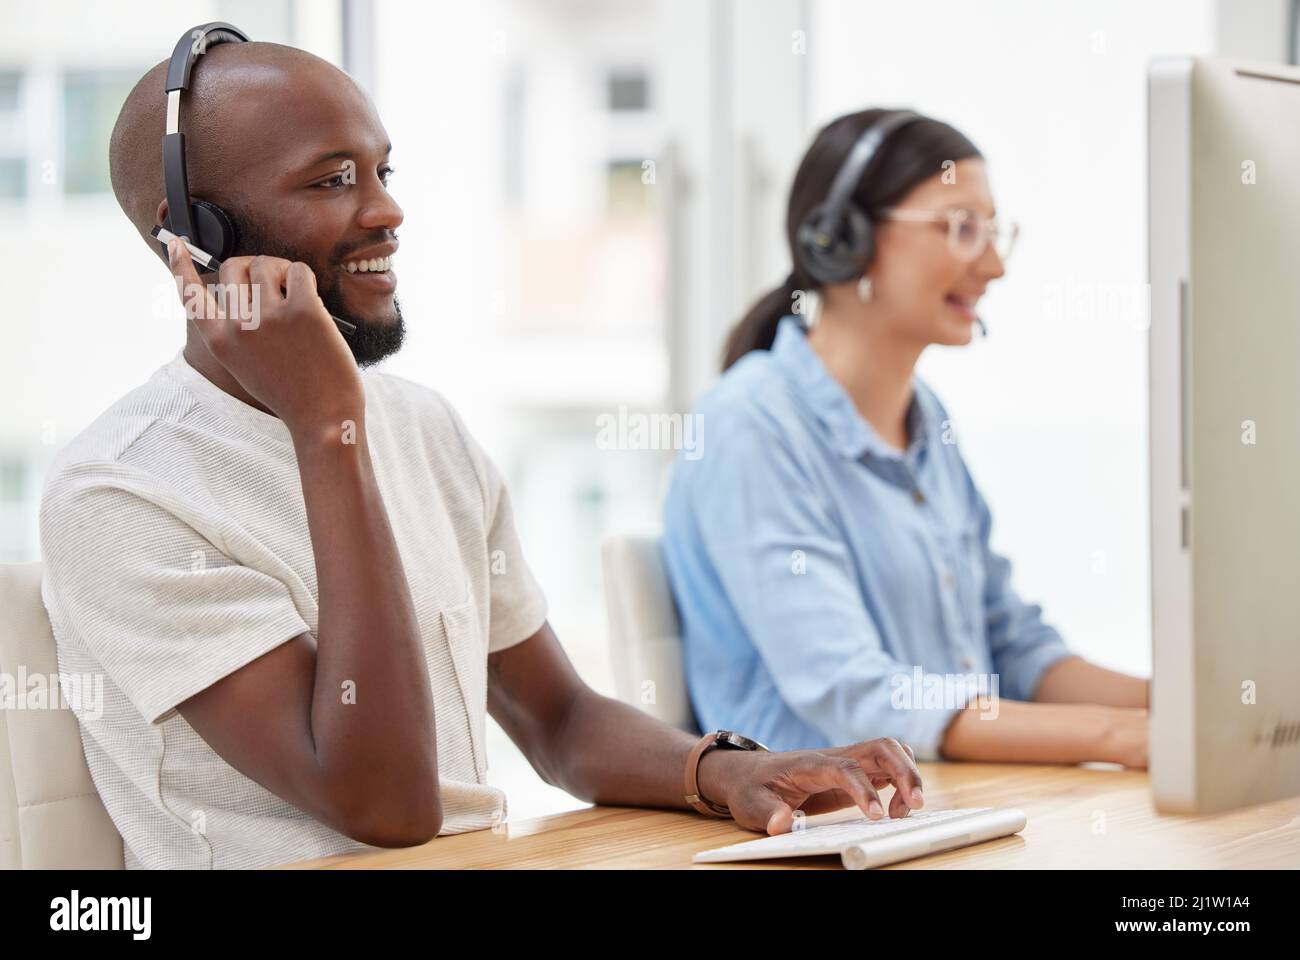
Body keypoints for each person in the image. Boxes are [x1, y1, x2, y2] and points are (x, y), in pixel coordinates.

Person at [36, 36, 923, 869]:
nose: (387, 210)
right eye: (332, 180)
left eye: (381, 171)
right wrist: (326, 429)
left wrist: (724, 770)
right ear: (192, 236)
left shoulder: (423, 428)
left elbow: (559, 718)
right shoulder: (119, 494)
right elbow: (383, 806)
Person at [662, 108, 1149, 768]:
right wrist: (1120, 739)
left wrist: (1178, 709)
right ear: (842, 239)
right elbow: (864, 700)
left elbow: (1016, 649)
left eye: (995, 231)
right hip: (821, 841)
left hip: (952, 809)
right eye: (961, 229)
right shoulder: (749, 426)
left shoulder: (926, 421)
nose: (995, 265)